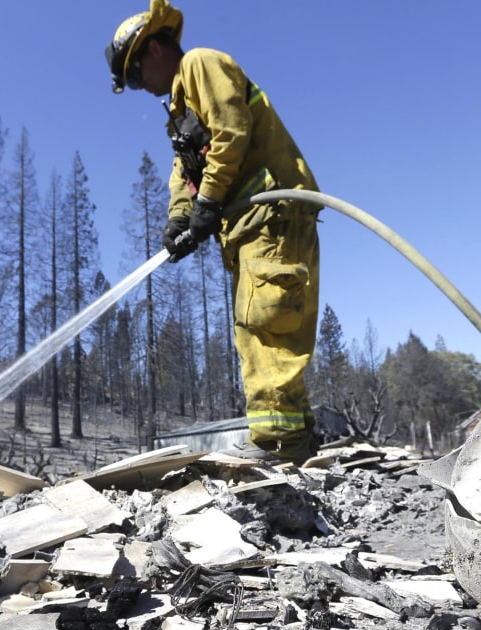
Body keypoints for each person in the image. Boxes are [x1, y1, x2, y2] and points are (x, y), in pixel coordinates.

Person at [106, 0, 324, 465]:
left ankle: (275, 443)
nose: (140, 87)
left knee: (264, 326)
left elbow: (231, 129)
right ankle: (298, 440)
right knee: (267, 325)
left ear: (153, 50)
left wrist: (208, 202)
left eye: (135, 74)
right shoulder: (181, 109)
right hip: (251, 227)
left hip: (271, 213)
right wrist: (180, 219)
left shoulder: (200, 63)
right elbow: (182, 174)